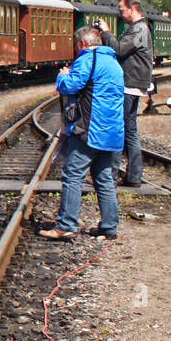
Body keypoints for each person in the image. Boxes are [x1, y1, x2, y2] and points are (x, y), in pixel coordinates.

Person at [39, 26, 124, 240]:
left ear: (82, 44)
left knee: (72, 175)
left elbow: (70, 86)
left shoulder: (88, 59)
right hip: (112, 131)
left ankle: (67, 224)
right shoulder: (114, 62)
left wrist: (62, 76)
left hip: (89, 129)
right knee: (103, 178)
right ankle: (109, 227)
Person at [98, 0, 152, 187]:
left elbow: (119, 50)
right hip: (133, 85)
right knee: (128, 131)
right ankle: (132, 177)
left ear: (131, 8)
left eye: (121, 11)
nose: (120, 14)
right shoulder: (137, 29)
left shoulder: (139, 30)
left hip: (129, 86)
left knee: (119, 130)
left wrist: (106, 32)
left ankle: (111, 176)